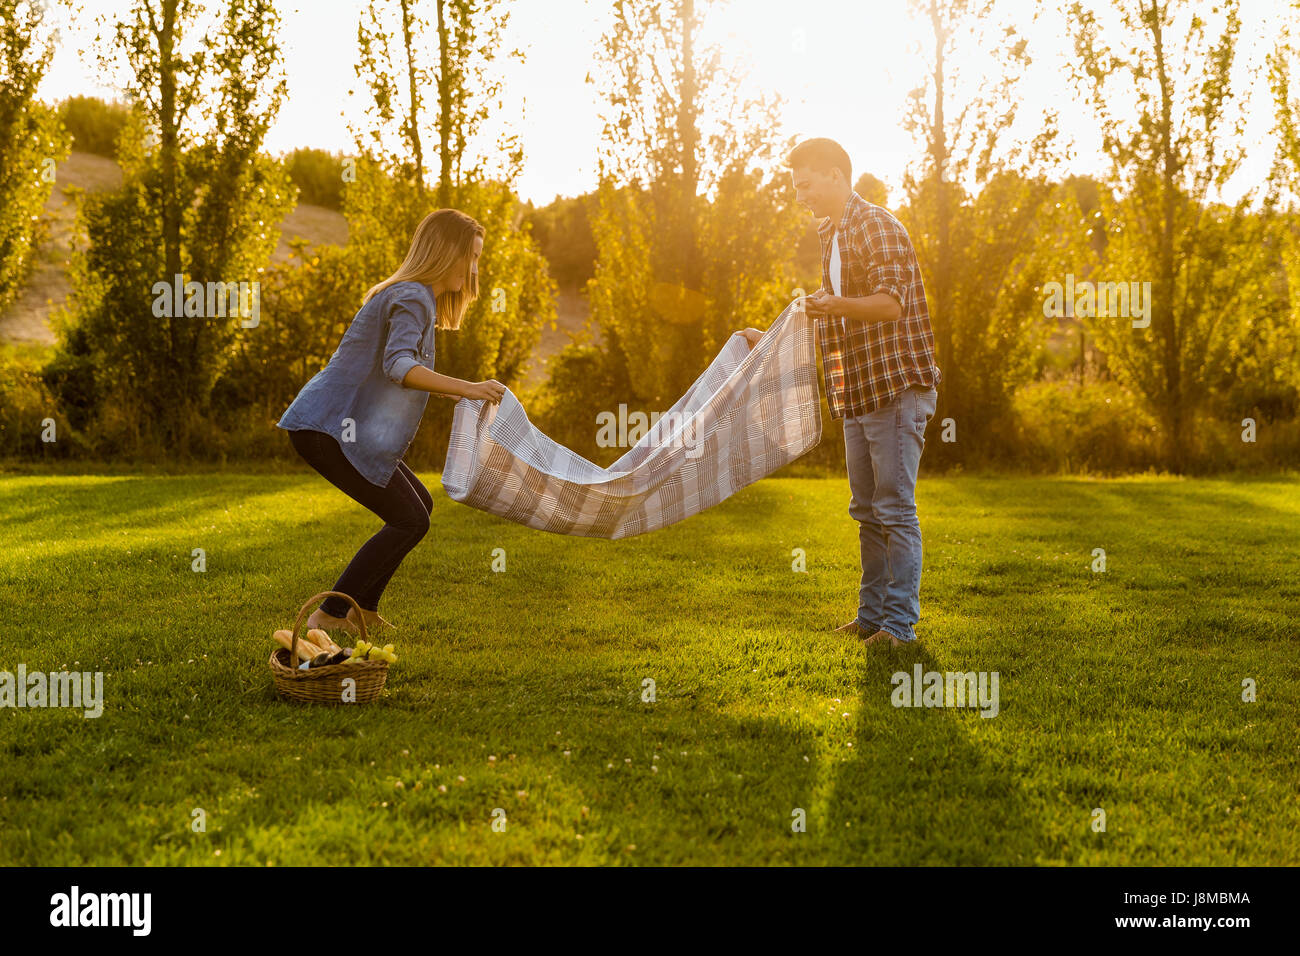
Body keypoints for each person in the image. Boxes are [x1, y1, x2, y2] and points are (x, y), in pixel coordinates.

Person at [739, 138, 941, 648]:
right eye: (795, 187)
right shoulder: (830, 235)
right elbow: (831, 316)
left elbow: (889, 305)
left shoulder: (877, 225)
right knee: (867, 511)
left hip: (895, 387)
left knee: (894, 508)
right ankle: (872, 618)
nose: (800, 196)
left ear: (834, 175)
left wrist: (833, 305)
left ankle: (900, 627)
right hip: (856, 392)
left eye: (805, 185)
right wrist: (772, 342)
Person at [276, 208, 506, 635]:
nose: (474, 269)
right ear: (445, 251)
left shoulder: (412, 295)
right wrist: (471, 387)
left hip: (333, 427)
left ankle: (361, 609)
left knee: (420, 506)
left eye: (478, 258)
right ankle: (329, 612)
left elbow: (403, 370)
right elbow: (399, 366)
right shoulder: (415, 296)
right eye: (469, 256)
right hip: (327, 428)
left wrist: (458, 391)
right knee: (410, 519)